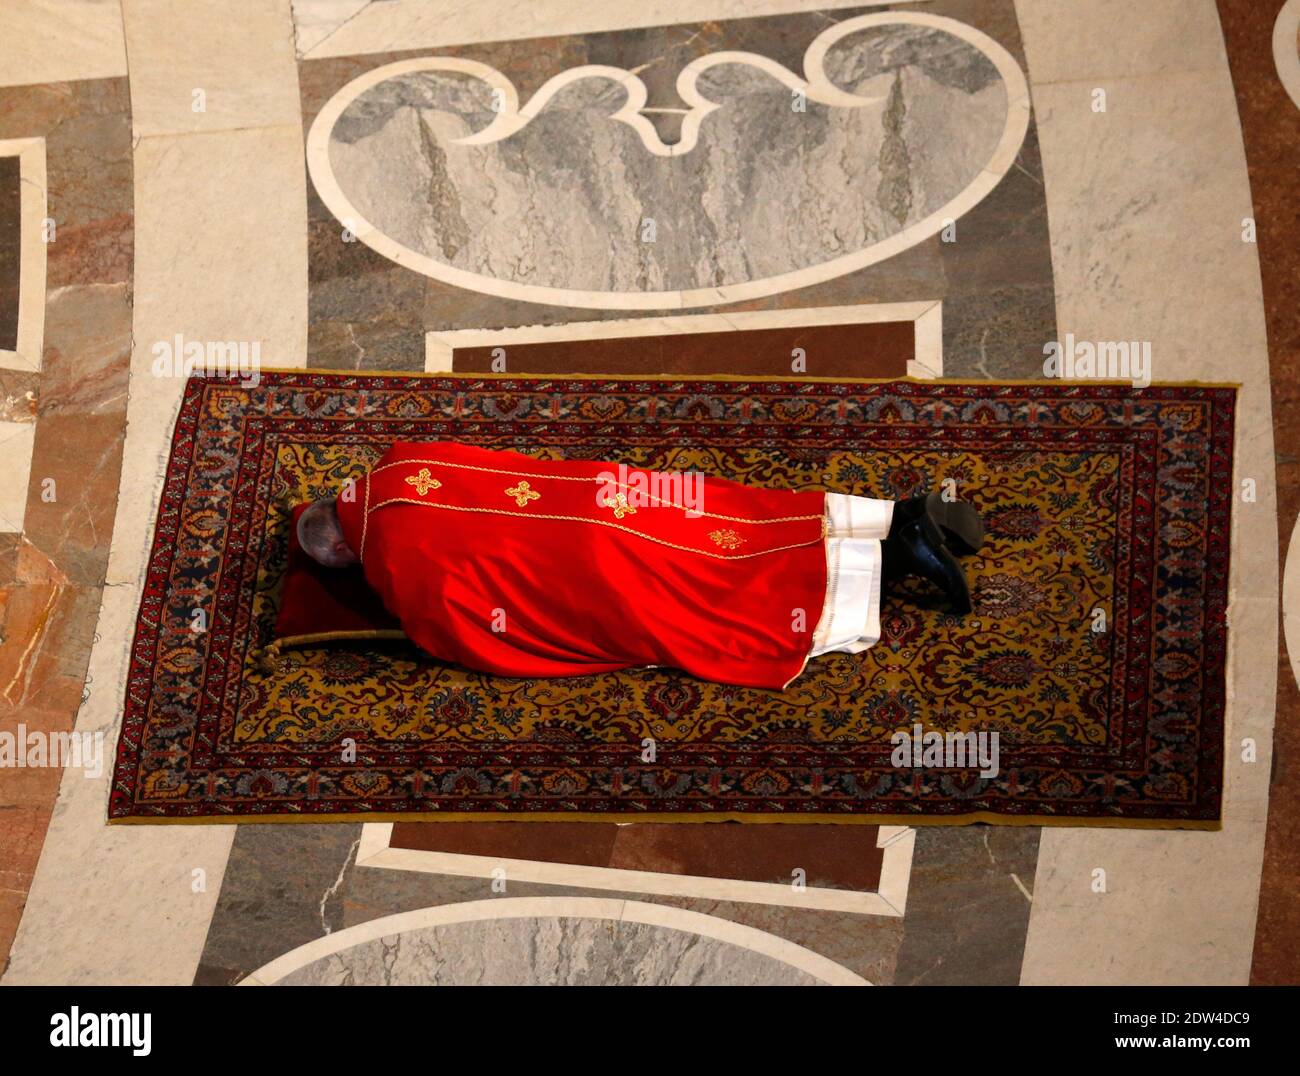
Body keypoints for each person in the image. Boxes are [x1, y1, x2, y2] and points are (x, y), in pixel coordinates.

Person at [296, 440, 983, 690]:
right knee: (731, 519)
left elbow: (458, 633)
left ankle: (892, 559)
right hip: (603, 495)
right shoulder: (401, 459)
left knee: (709, 603)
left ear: (336, 550)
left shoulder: (388, 558)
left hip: (591, 563)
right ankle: (893, 513)